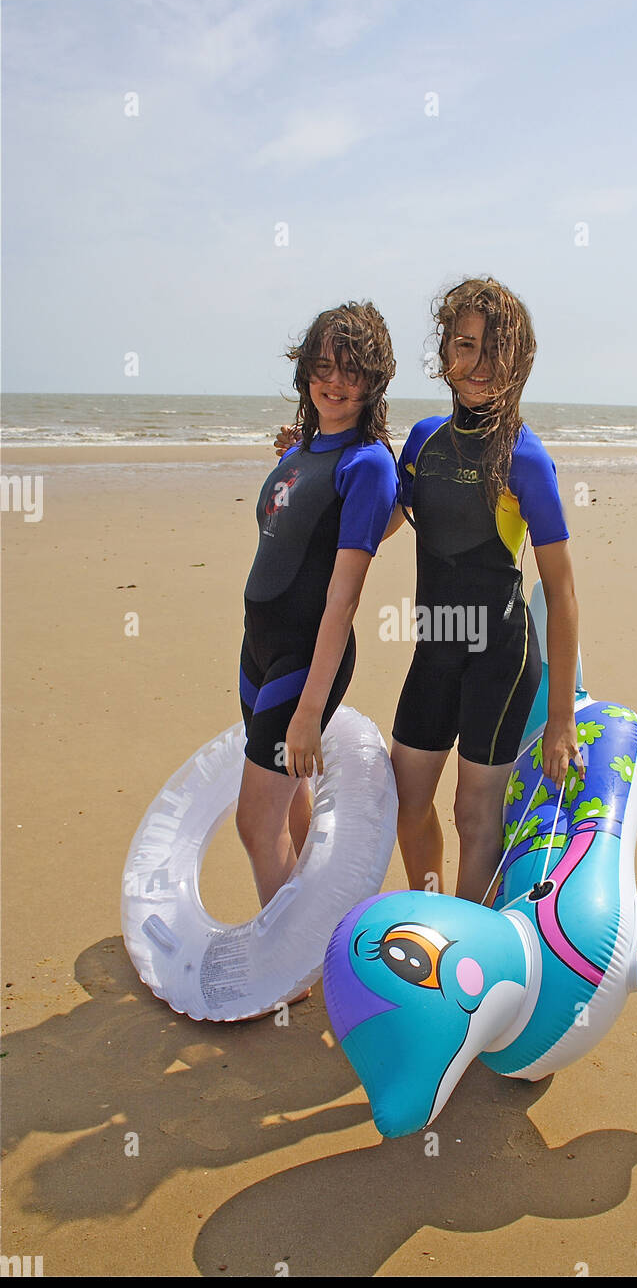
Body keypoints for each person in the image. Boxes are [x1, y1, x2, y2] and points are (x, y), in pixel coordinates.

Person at [389, 278, 580, 904]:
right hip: (434, 650)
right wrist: (311, 457)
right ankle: (428, 913)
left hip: (500, 657)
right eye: (464, 346)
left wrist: (560, 721)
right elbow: (379, 522)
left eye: (494, 350)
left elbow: (562, 591)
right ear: (445, 351)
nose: (476, 365)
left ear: (518, 361)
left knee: (475, 815)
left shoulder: (525, 459)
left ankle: (463, 951)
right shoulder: (423, 442)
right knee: (408, 801)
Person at [237, 301, 398, 917]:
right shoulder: (301, 450)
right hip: (258, 650)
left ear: (374, 379)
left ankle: (284, 973)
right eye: (323, 365)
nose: (334, 380)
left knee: (255, 822)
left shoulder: (366, 463)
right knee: (288, 808)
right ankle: (317, 940)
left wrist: (309, 713)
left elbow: (345, 595)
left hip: (305, 657)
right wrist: (295, 451)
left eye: (351, 369)